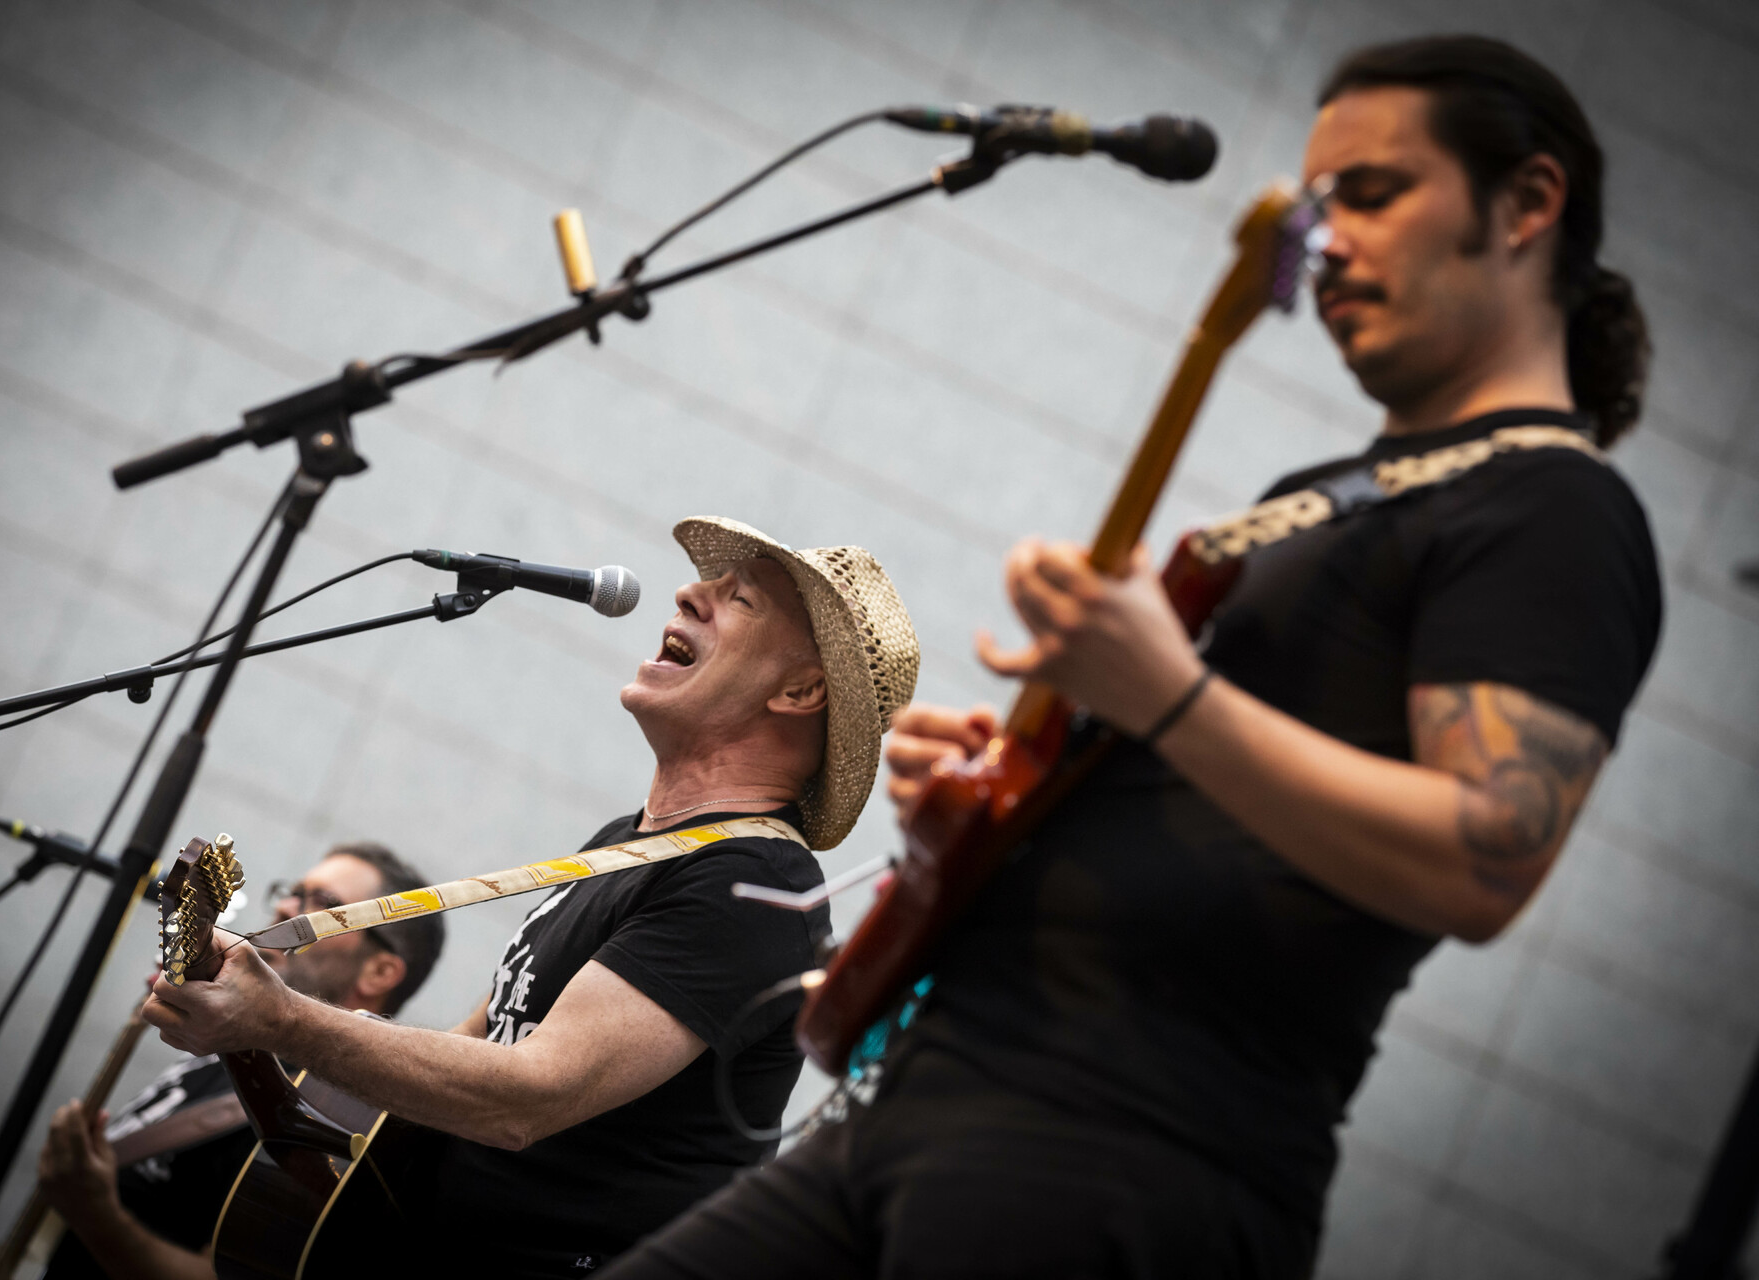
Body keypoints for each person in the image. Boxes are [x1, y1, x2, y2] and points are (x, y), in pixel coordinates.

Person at [603, 35, 1662, 1280]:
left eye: (1373, 195)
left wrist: (1167, 692)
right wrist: (1015, 773)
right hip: (941, 1089)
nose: (1327, 244)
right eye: (1317, 211)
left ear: (1528, 203)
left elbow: (1485, 857)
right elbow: (1195, 765)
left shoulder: (1552, 508)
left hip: (1132, 1143)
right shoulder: (1322, 495)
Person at [139, 517, 920, 1276]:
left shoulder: (753, 886)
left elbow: (528, 1098)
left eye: (740, 599)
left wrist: (282, 1019)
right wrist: (258, 1018)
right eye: (706, 584)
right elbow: (478, 1051)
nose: (687, 595)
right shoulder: (629, 841)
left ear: (800, 690)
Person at [0, 843, 444, 1280]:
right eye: (291, 892)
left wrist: (99, 1218)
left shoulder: (325, 1115)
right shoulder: (232, 1051)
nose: (283, 907)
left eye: (321, 902)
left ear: (380, 971)